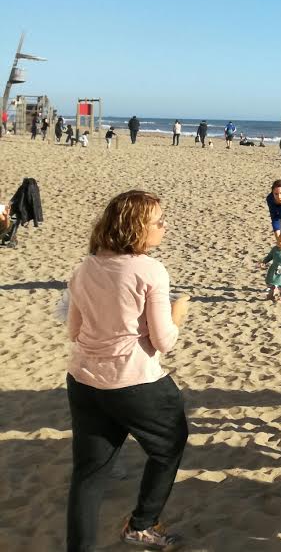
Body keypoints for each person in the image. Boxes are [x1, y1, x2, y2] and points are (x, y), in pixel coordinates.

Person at [65, 190, 190, 551]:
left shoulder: (83, 268)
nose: (164, 228)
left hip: (84, 382)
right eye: (158, 222)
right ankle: (142, 524)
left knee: (89, 474)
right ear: (135, 227)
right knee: (169, 447)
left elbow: (74, 331)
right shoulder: (150, 270)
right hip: (135, 384)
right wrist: (178, 315)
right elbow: (164, 341)